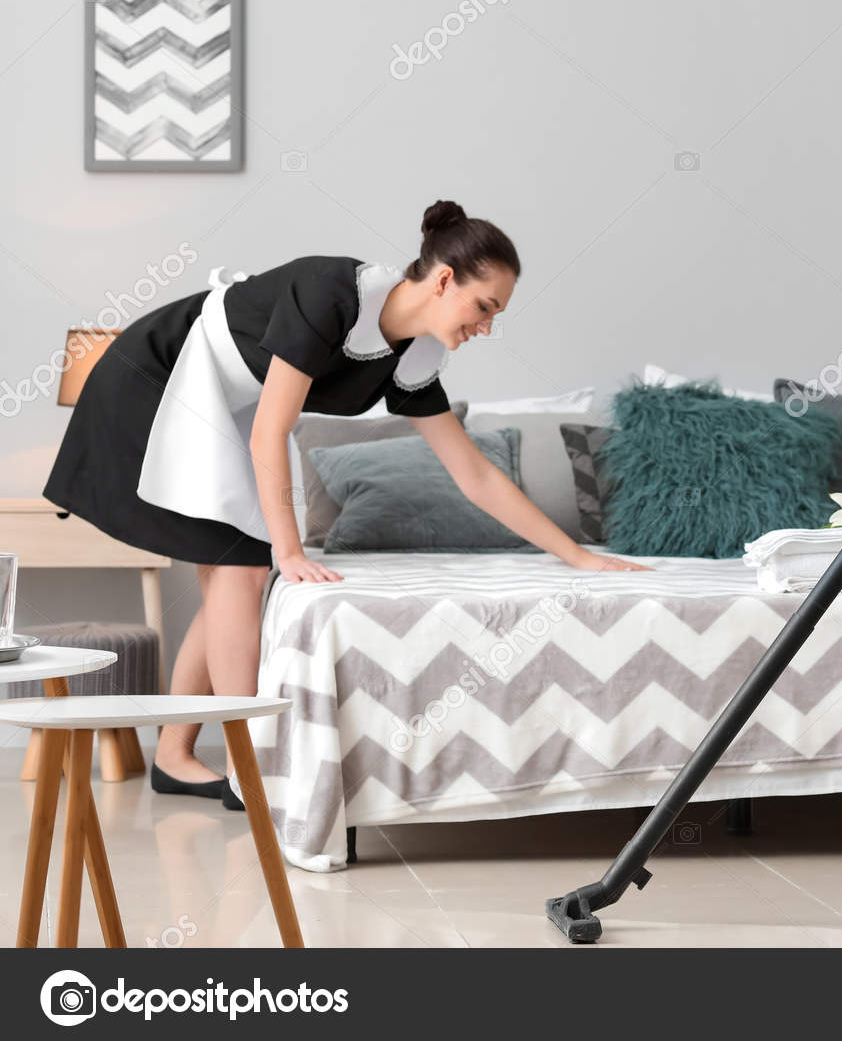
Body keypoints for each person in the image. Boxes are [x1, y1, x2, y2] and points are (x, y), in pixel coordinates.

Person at [43, 199, 648, 808]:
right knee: (244, 565)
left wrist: (577, 555)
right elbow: (270, 430)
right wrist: (290, 549)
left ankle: (176, 757)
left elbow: (474, 475)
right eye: (484, 306)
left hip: (226, 410)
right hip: (156, 381)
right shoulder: (331, 291)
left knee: (234, 567)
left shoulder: (413, 356)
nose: (487, 327)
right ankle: (249, 768)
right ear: (443, 280)